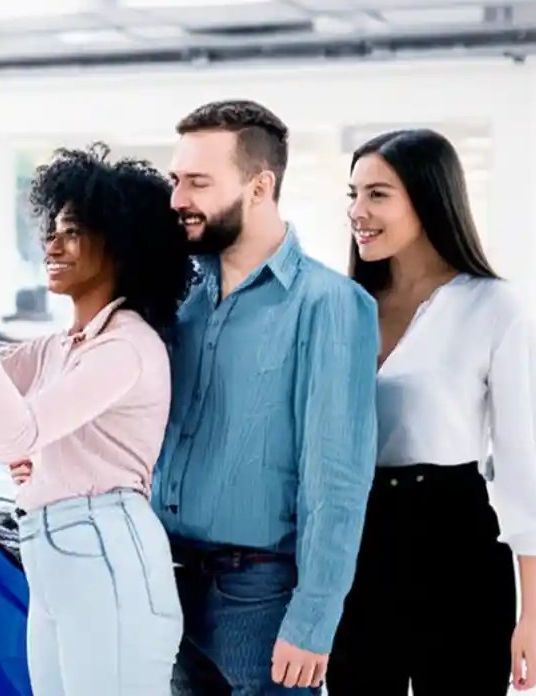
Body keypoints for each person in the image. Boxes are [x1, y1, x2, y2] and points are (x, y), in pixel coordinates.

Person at [0, 143, 196, 695]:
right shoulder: (63, 347)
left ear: (121, 245)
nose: (52, 244)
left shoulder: (125, 347)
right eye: (52, 230)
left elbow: (13, 436)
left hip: (105, 554)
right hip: (61, 559)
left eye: (73, 232)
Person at [151, 100, 379, 695]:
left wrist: (314, 620)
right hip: (165, 587)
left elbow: (336, 478)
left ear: (260, 187)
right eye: (176, 180)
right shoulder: (177, 298)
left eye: (198, 182)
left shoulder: (329, 304)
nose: (178, 198)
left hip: (261, 601)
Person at [326, 128, 536, 695]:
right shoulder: (343, 306)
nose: (357, 211)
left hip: (455, 542)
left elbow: (522, 466)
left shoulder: (493, 305)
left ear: (429, 199)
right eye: (353, 194)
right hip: (356, 543)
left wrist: (534, 614)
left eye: (377, 194)